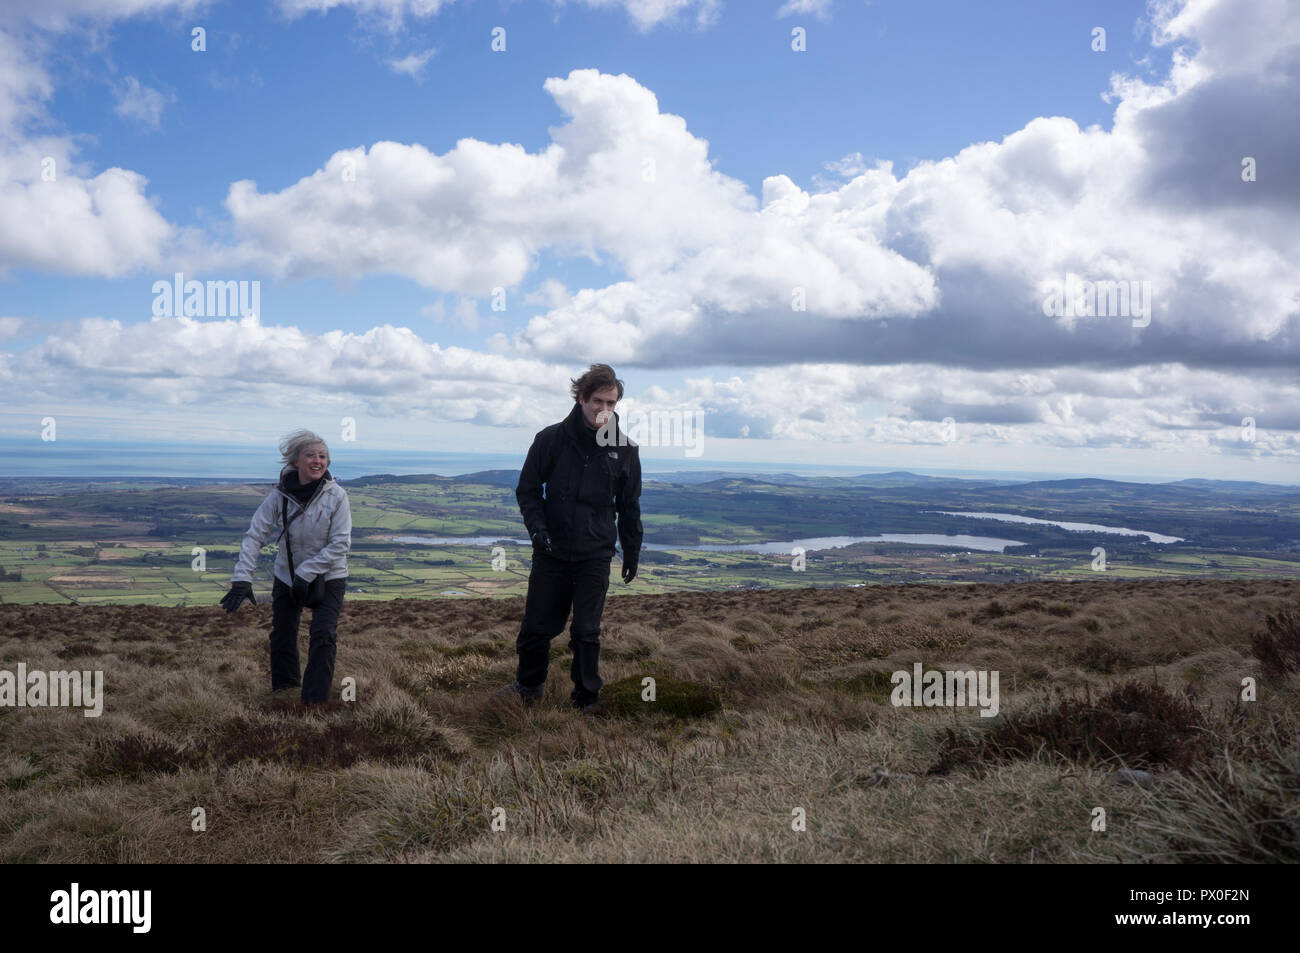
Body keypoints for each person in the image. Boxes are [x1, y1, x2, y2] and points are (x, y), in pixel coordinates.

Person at [503, 363, 643, 713]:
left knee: (586, 631)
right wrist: (538, 532)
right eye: (598, 401)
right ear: (581, 398)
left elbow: (629, 507)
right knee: (536, 628)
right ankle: (528, 689)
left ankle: (586, 700)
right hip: (551, 552)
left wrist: (632, 552)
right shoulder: (550, 439)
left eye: (611, 403)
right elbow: (529, 490)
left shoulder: (625, 450)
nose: (604, 410)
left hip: (594, 553)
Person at [220, 430, 352, 705]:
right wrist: (241, 579)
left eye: (323, 456)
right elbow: (255, 534)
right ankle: (284, 691)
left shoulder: (336, 496)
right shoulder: (279, 496)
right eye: (311, 455)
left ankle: (314, 703)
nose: (318, 461)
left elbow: (340, 544)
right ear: (295, 462)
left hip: (329, 576)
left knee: (324, 634)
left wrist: (306, 572)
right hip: (286, 576)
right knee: (282, 634)